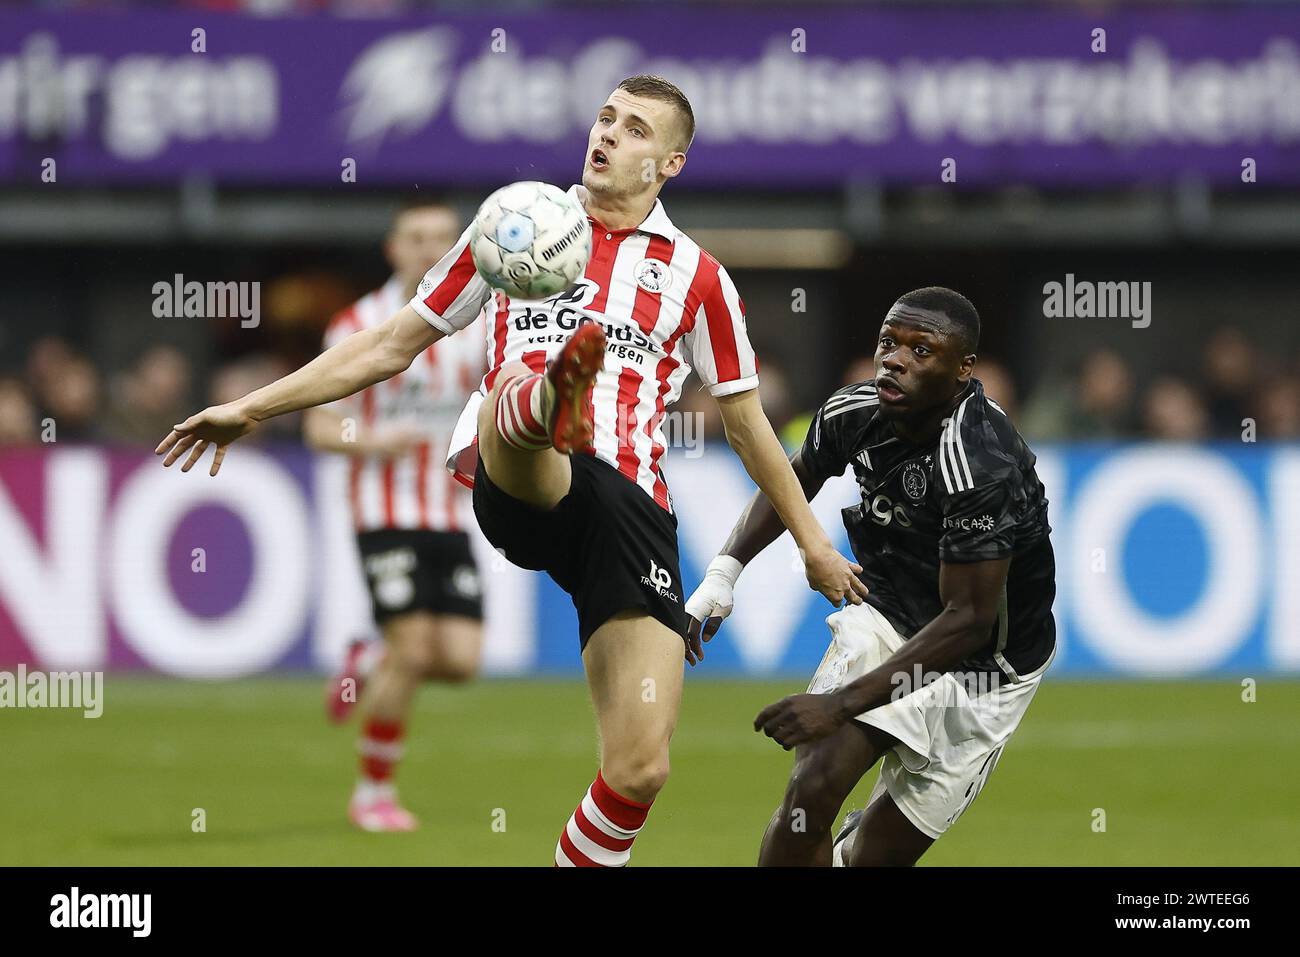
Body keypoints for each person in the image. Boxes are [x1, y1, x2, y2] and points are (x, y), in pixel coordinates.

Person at [155, 74, 864, 866]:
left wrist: (812, 541)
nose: (607, 134)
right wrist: (254, 407)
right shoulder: (514, 222)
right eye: (604, 117)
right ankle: (554, 397)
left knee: (639, 768)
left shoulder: (699, 278)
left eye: (634, 129)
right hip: (523, 475)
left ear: (670, 163)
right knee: (518, 407)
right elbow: (392, 342)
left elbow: (748, 426)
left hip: (629, 511)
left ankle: (556, 399)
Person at [685, 287, 1057, 866]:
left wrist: (838, 706)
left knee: (871, 861)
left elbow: (968, 620)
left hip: (984, 668)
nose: (896, 359)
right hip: (886, 619)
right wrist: (724, 571)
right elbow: (798, 474)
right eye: (889, 342)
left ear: (963, 370)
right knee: (811, 790)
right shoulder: (856, 410)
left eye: (920, 350)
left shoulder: (983, 463)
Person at [305, 198, 487, 832]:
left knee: (461, 661)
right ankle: (372, 793)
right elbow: (321, 427)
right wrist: (373, 440)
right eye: (417, 237)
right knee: (411, 651)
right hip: (383, 510)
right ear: (393, 249)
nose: (431, 248)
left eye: (443, 236)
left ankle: (365, 654)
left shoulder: (479, 320)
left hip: (450, 511)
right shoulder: (359, 322)